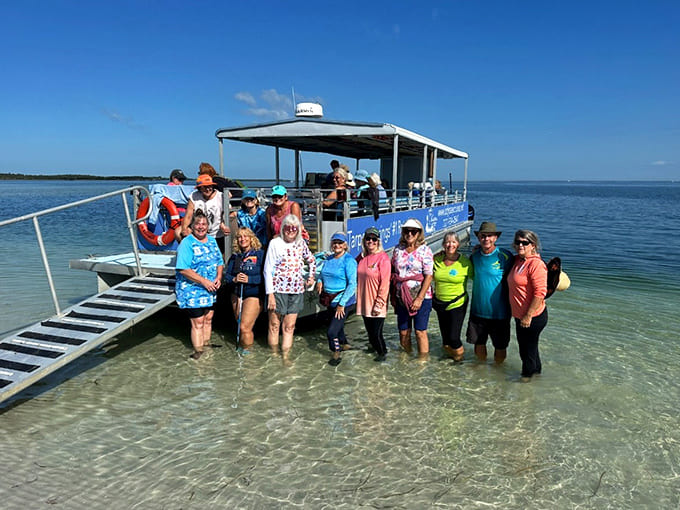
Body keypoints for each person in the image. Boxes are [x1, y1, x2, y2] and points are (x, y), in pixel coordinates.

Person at [263, 214, 316, 359]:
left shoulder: (301, 243)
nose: (291, 231)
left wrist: (311, 277)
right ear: (282, 228)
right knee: (274, 325)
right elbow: (267, 269)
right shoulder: (275, 243)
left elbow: (311, 260)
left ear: (298, 230)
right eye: (288, 228)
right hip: (278, 290)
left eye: (294, 228)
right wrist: (270, 294)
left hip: (297, 290)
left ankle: (285, 357)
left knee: (289, 327)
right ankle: (273, 356)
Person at [175, 210, 224, 360]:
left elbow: (219, 261)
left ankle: (206, 345)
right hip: (193, 289)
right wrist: (204, 282)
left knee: (208, 318)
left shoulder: (211, 240)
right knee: (198, 321)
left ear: (208, 226)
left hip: (210, 288)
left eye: (204, 224)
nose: (201, 227)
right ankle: (198, 351)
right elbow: (183, 269)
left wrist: (219, 277)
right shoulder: (187, 243)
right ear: (192, 226)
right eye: (198, 224)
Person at [466, 221, 514, 364]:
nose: (486, 239)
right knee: (478, 344)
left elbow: (519, 276)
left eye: (490, 236)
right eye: (483, 236)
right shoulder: (474, 257)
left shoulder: (505, 256)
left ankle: (498, 372)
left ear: (495, 238)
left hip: (500, 312)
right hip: (477, 310)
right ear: (479, 237)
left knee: (500, 346)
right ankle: (481, 374)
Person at [507, 230, 549, 381]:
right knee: (531, 350)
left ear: (533, 245)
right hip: (521, 316)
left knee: (526, 351)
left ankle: (525, 382)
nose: (520, 245)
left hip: (532, 317)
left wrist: (528, 315)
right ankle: (537, 376)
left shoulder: (536, 265)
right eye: (518, 242)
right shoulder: (518, 260)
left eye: (525, 243)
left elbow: (540, 293)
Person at [391, 218, 434, 358]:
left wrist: (419, 298)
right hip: (401, 296)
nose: (409, 234)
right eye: (406, 231)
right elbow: (394, 273)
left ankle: (422, 361)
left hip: (421, 296)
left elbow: (428, 276)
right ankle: (407, 357)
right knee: (403, 331)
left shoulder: (425, 250)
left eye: (413, 231)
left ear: (419, 233)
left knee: (420, 331)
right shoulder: (397, 250)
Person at [316, 232, 357, 366]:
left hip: (343, 302)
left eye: (340, 243)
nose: (337, 245)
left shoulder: (349, 261)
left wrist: (342, 304)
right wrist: (320, 281)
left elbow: (352, 284)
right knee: (338, 328)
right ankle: (345, 344)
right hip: (330, 300)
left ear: (345, 245)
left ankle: (336, 352)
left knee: (331, 332)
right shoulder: (328, 259)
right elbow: (322, 273)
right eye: (335, 243)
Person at [432, 232, 472, 361]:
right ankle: (448, 361)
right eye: (447, 242)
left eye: (453, 242)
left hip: (457, 303)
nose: (450, 244)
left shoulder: (465, 262)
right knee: (445, 339)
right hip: (439, 303)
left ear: (458, 244)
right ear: (443, 244)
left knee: (454, 338)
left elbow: (478, 278)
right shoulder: (436, 260)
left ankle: (459, 362)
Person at [225, 227, 265, 355]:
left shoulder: (260, 255)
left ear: (251, 238)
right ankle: (242, 350)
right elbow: (227, 276)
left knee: (244, 326)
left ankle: (248, 355)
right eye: (239, 237)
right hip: (237, 293)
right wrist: (235, 279)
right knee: (240, 325)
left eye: (245, 236)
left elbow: (266, 276)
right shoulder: (235, 257)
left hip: (253, 293)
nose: (243, 239)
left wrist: (250, 279)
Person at [356, 226, 391, 361]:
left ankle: (383, 355)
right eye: (368, 239)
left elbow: (385, 283)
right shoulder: (362, 257)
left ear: (378, 241)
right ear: (364, 240)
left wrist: (379, 303)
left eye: (374, 239)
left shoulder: (383, 258)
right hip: (365, 302)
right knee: (370, 334)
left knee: (376, 334)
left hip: (377, 303)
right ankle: (375, 352)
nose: (371, 241)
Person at [179, 174, 230, 251]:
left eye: (210, 186)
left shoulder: (221, 196)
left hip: (216, 233)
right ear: (200, 188)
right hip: (198, 231)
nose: (208, 189)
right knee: (178, 232)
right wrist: (184, 229)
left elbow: (230, 213)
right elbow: (188, 215)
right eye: (205, 187)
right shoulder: (194, 196)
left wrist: (223, 224)